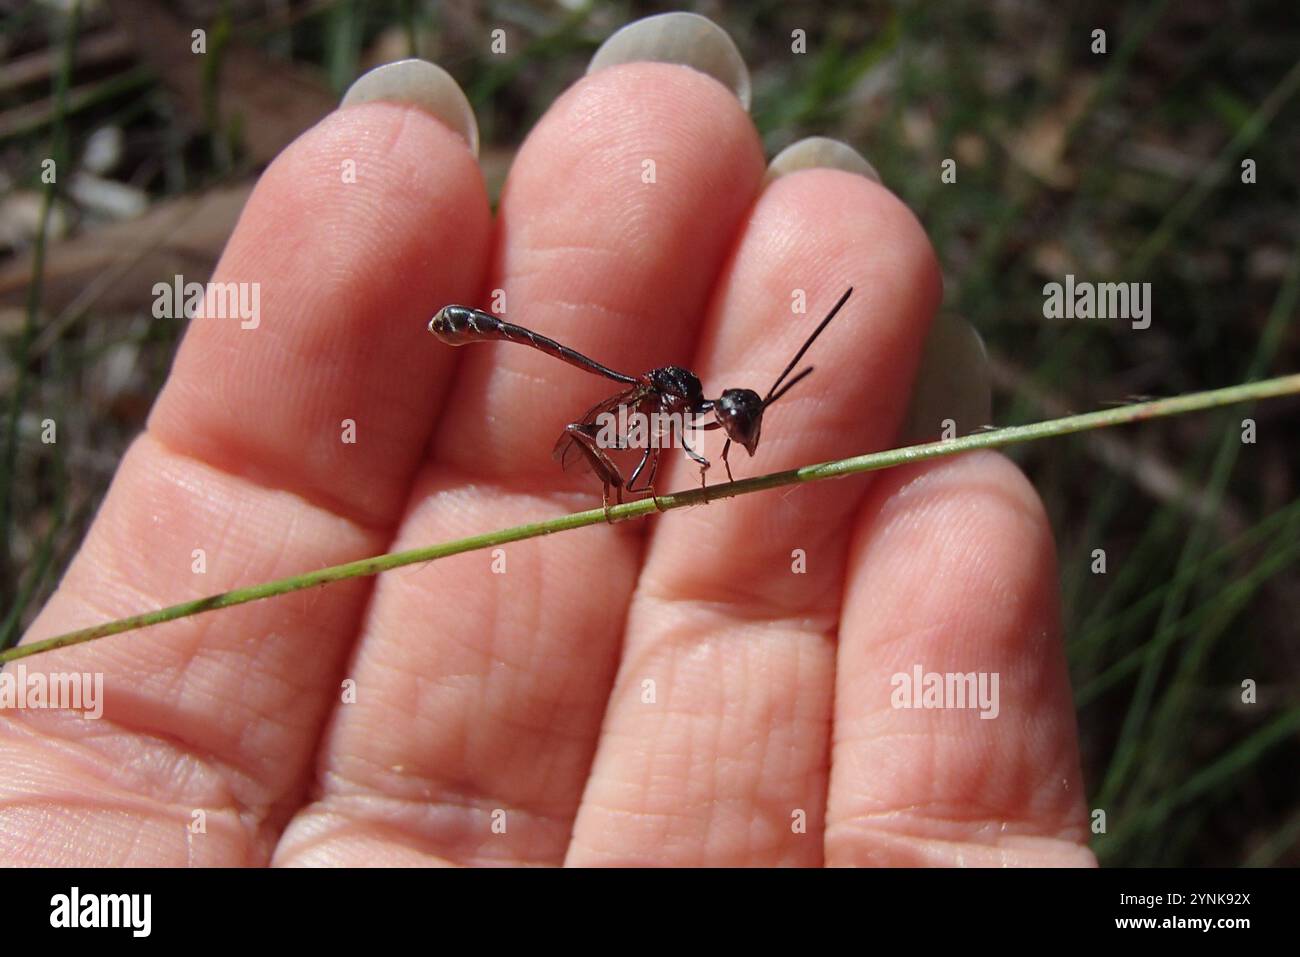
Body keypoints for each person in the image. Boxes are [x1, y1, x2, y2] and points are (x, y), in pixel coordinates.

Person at [3, 13, 1094, 866]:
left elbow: (683, 431)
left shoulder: (699, 415)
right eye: (737, 419)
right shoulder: (660, 418)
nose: (734, 430)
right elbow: (616, 438)